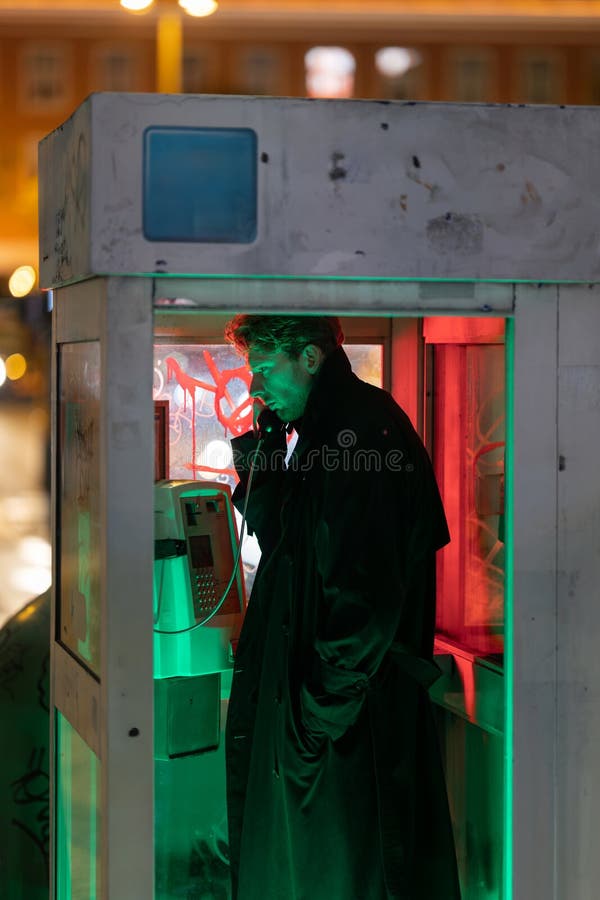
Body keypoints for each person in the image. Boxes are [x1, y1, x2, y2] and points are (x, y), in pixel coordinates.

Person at [224, 314, 461, 900]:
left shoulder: (361, 437)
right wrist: (266, 457)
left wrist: (315, 721)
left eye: (263, 368)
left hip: (348, 735)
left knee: (347, 875)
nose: (255, 386)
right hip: (322, 729)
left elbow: (363, 599)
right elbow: (288, 549)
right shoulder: (328, 435)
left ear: (309, 357)